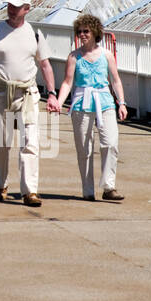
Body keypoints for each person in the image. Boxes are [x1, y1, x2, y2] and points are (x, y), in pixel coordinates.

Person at [0, 0, 55, 208]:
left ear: (27, 9)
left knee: (30, 143)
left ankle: (29, 191)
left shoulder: (35, 34)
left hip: (27, 94)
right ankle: (1, 184)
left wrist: (52, 94)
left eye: (16, 7)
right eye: (10, 6)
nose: (12, 10)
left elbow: (45, 65)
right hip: (1, 93)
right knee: (1, 144)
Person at [50, 13, 127, 201]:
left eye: (86, 31)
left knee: (110, 143)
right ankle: (88, 190)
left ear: (95, 32)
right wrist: (59, 102)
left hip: (105, 102)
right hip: (81, 103)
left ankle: (109, 187)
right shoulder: (74, 57)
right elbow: (67, 82)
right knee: (84, 149)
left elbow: (115, 81)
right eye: (80, 31)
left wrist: (122, 103)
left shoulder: (106, 55)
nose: (82, 34)